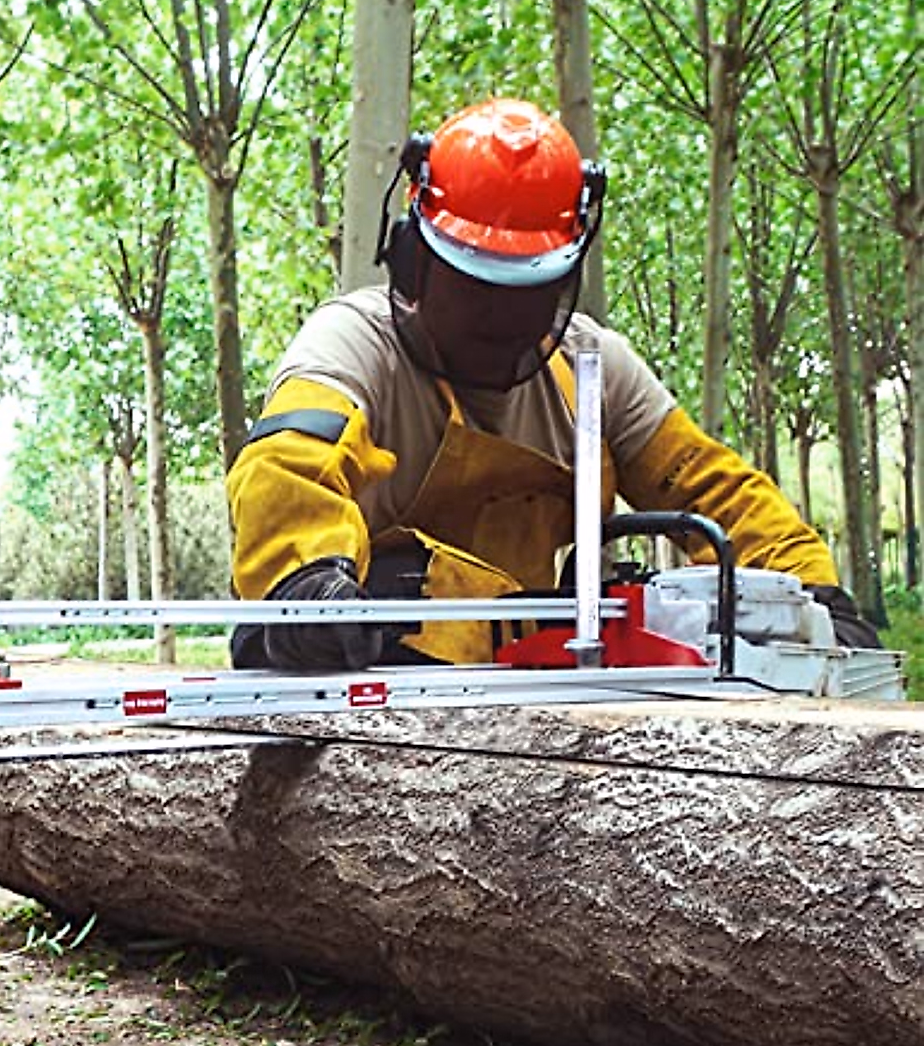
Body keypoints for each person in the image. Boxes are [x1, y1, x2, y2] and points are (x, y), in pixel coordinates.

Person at [225, 97, 879, 670]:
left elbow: (717, 494)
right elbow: (285, 470)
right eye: (476, 286)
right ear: (412, 262)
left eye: (523, 290)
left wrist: (813, 598)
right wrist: (308, 584)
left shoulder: (594, 369)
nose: (499, 317)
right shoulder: (352, 344)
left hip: (533, 675)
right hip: (373, 669)